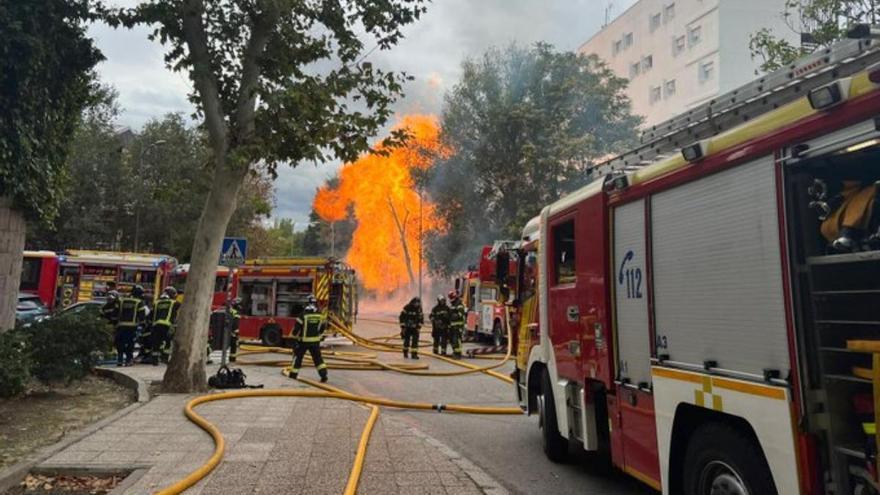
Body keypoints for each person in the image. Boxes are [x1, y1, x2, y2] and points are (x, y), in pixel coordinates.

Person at [288, 295, 328, 382]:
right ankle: (324, 375)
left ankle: (293, 375)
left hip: (303, 342)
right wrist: (317, 335)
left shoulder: (303, 315)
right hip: (315, 342)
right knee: (318, 359)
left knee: (298, 358)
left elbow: (296, 330)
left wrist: (294, 338)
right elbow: (322, 328)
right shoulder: (320, 315)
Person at [116, 285, 147, 366]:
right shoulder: (139, 302)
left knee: (121, 343)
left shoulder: (122, 300)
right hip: (132, 326)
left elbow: (116, 312)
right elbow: (142, 316)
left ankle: (119, 360)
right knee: (130, 343)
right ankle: (128, 360)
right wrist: (143, 324)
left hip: (121, 325)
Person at [150, 287, 180, 365]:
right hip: (167, 325)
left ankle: (154, 360)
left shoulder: (156, 303)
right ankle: (165, 358)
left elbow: (151, 315)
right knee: (168, 342)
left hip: (156, 325)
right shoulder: (174, 303)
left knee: (156, 343)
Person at [448, 290, 466, 359]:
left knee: (456, 340)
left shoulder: (459, 304)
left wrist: (454, 316)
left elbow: (461, 314)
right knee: (452, 340)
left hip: (458, 326)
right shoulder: (453, 304)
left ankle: (458, 354)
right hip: (452, 326)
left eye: (452, 298)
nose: (451, 300)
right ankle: (455, 352)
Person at [228, 298, 241, 363]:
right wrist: (235, 332)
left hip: (229, 331)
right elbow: (235, 323)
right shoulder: (236, 312)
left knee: (230, 346)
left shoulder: (231, 310)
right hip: (233, 332)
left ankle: (230, 358)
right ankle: (232, 359)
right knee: (233, 346)